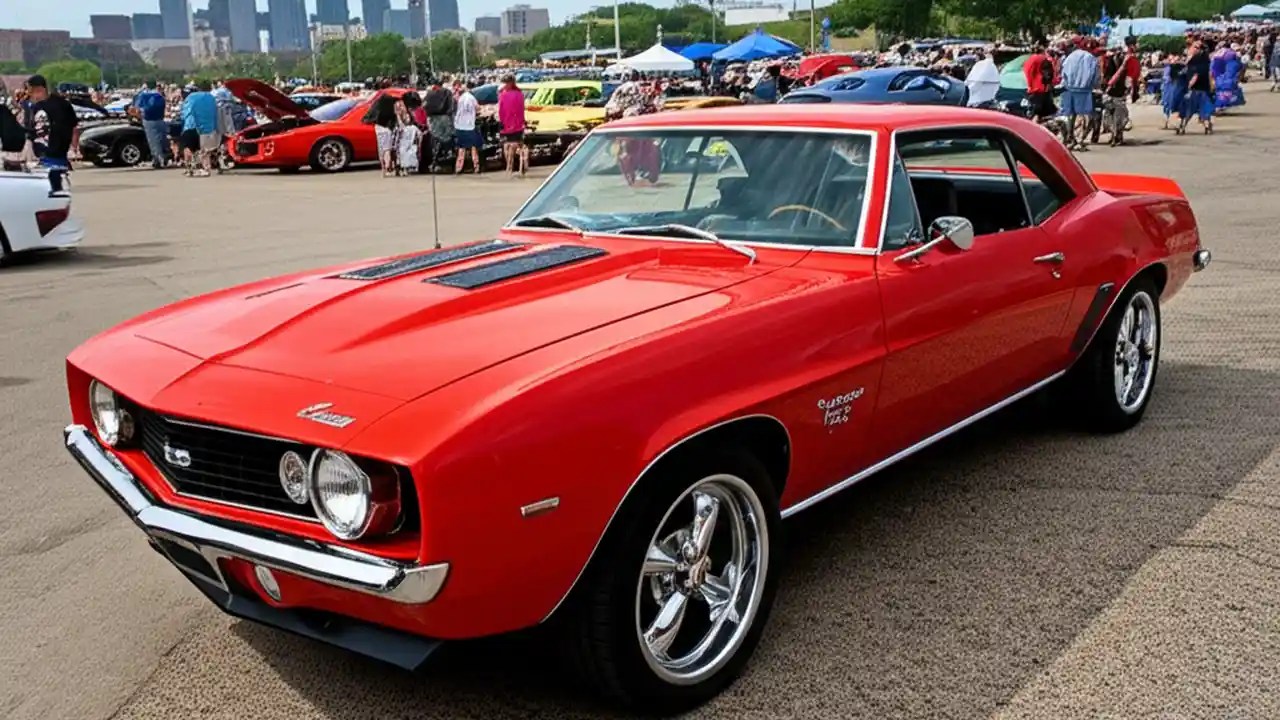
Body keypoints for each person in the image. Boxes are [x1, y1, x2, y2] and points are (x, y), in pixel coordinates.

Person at [22, 75, 77, 196]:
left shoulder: (55, 105)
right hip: (51, 152)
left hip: (51, 151)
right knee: (55, 185)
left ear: (39, 89)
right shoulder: (61, 104)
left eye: (31, 92)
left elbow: (72, 126)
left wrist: (73, 147)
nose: (31, 96)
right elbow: (74, 126)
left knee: (53, 186)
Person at [1059, 38, 1099, 151]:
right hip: (1084, 90)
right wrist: (1094, 86)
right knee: (1083, 116)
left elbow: (1063, 74)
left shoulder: (1068, 58)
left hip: (1069, 89)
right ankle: (1079, 140)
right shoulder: (1090, 58)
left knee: (1069, 116)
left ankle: (1069, 138)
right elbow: (1095, 76)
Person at [1101, 41, 1141, 146]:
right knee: (1117, 113)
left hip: (1114, 90)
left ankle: (1115, 135)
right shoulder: (1128, 60)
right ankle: (1116, 135)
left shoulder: (1112, 60)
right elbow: (1131, 76)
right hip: (1117, 90)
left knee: (1114, 113)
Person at [179, 81, 218, 177]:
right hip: (207, 127)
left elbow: (185, 113)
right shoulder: (211, 97)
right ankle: (205, 168)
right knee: (204, 150)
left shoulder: (190, 98)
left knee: (187, 148)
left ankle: (189, 168)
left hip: (191, 126)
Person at [132, 82, 170, 168]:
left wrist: (140, 116)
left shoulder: (143, 95)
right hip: (160, 119)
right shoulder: (159, 95)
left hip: (148, 120)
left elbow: (136, 109)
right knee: (161, 138)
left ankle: (158, 160)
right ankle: (165, 155)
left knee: (153, 141)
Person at [1179, 41, 1214, 135]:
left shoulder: (1196, 60)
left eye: (1194, 47)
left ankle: (1182, 127)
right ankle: (1207, 126)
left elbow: (1195, 75)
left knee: (1188, 109)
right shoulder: (1205, 59)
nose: (1191, 48)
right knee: (1204, 109)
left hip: (1195, 89)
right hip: (1204, 88)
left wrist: (1189, 85)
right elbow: (1209, 74)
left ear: (1198, 50)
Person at [362, 88, 398, 177]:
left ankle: (383, 170)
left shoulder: (377, 107)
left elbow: (367, 118)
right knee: (388, 149)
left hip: (379, 129)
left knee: (381, 150)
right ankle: (388, 166)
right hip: (388, 129)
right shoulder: (391, 107)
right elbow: (394, 119)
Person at [497, 74, 528, 178]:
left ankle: (509, 167)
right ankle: (517, 167)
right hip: (517, 124)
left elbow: (501, 111)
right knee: (518, 145)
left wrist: (501, 122)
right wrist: (523, 121)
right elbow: (522, 109)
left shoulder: (503, 94)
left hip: (507, 124)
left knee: (508, 146)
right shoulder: (519, 94)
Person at [1023, 44, 1058, 123]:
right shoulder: (1043, 59)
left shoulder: (1028, 60)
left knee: (1035, 113)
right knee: (1047, 113)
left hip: (1031, 90)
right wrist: (1050, 84)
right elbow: (1048, 74)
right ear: (1042, 51)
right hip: (1042, 89)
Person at [453, 81, 482, 175]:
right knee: (473, 147)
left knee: (462, 148)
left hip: (459, 125)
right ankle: (476, 166)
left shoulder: (461, 98)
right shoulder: (472, 98)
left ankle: (458, 167)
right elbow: (478, 108)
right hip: (469, 126)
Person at [1211, 44, 1245, 111]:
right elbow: (1233, 71)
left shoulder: (1219, 52)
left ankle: (1216, 105)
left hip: (1214, 66)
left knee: (1219, 85)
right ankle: (1220, 105)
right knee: (1227, 84)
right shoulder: (1233, 55)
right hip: (1222, 67)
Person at [1161, 53, 1188, 130]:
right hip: (1168, 88)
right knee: (1167, 105)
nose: (1172, 61)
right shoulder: (1169, 67)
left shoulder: (1180, 68)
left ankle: (1177, 124)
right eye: (1170, 59)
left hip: (1174, 88)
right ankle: (1167, 122)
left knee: (1176, 106)